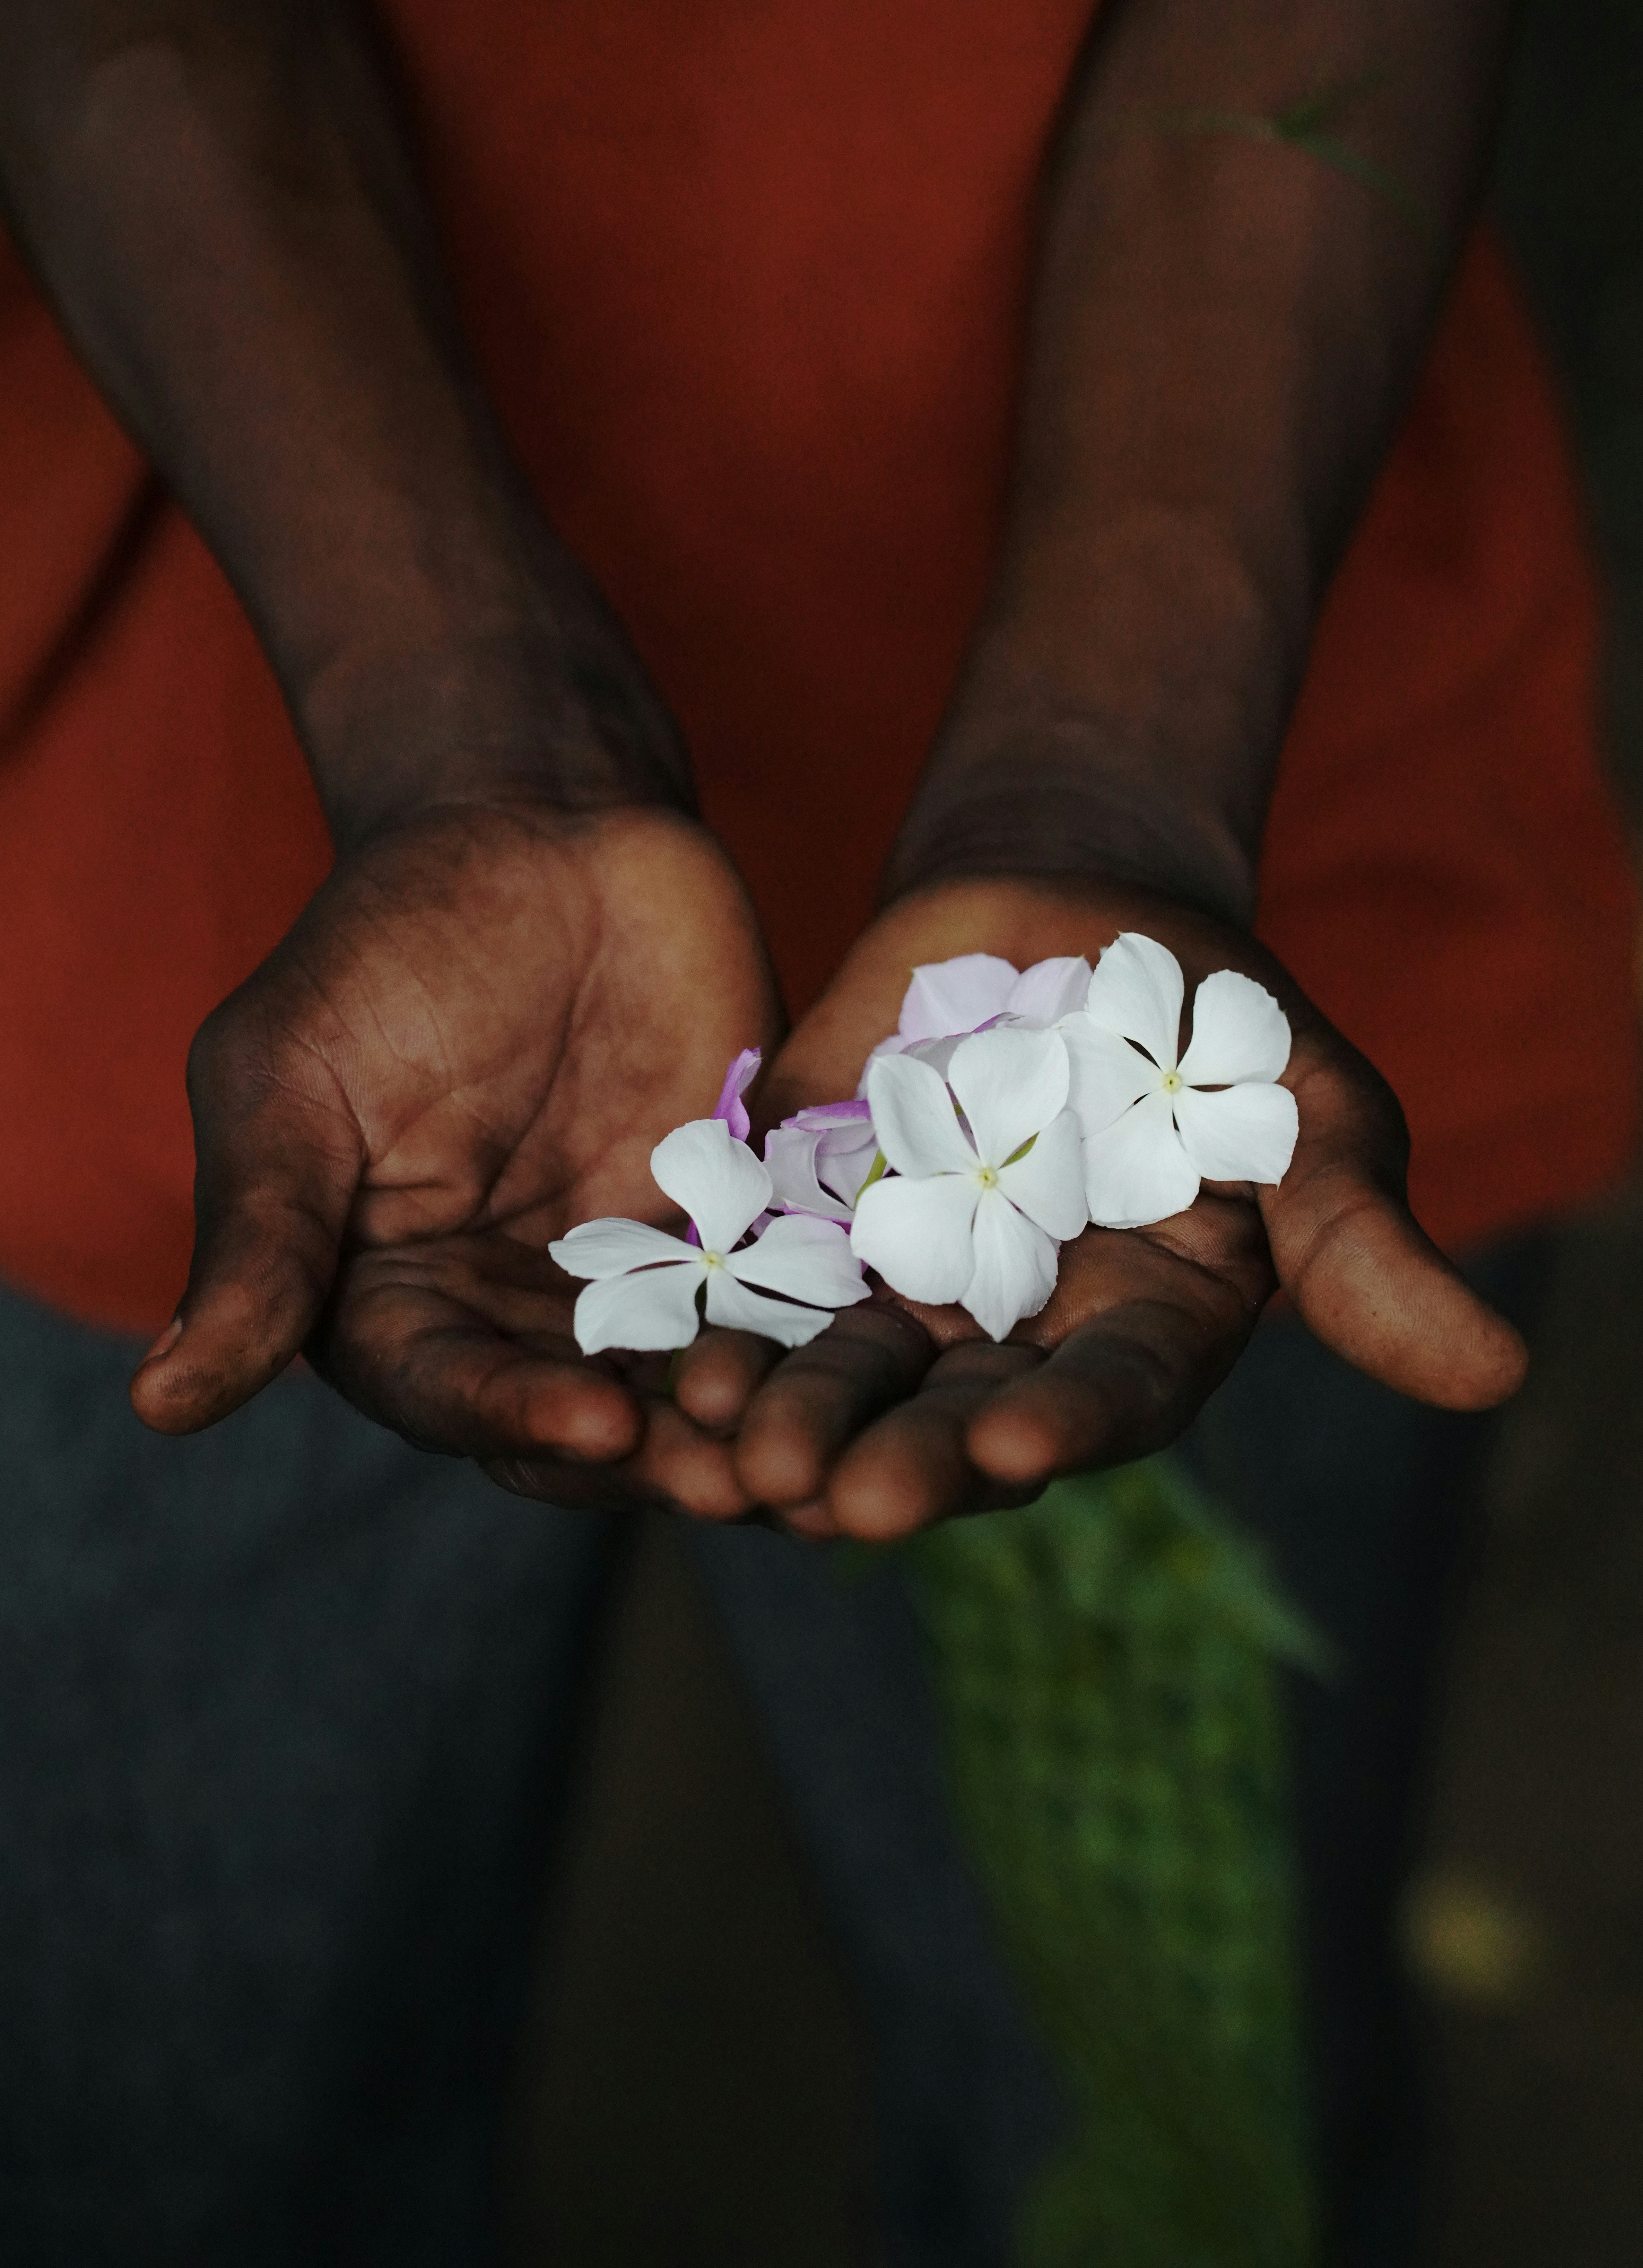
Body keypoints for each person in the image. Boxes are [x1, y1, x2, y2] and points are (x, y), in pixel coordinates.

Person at [0, 2, 1632, 2262]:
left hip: (1248, 799)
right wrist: (453, 708)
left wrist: (1116, 766)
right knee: (173, 2132)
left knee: (1158, 2140)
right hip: (249, 904)